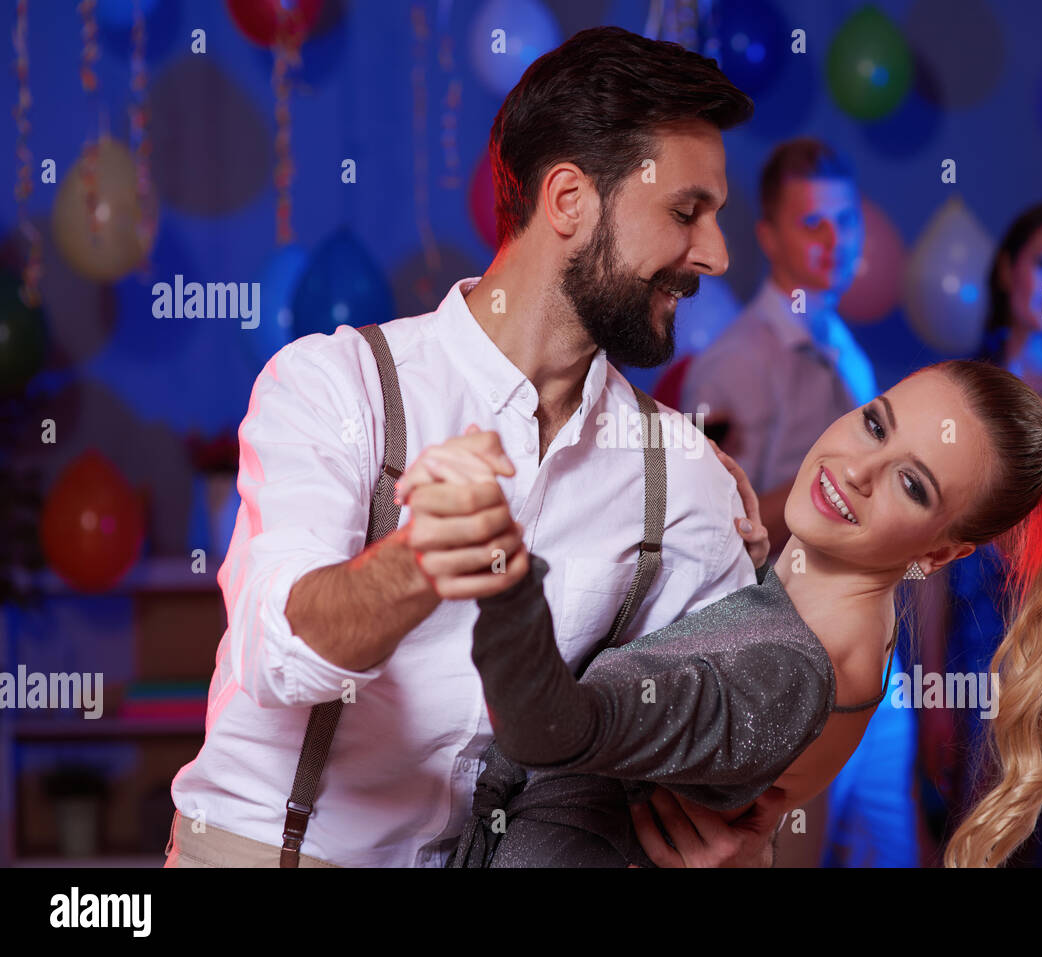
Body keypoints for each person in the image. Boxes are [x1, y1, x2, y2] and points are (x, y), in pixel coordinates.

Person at [164, 26, 779, 868]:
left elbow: (733, 707)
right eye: (684, 213)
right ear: (569, 200)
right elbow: (279, 656)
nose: (715, 254)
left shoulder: (680, 473)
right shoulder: (340, 383)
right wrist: (419, 560)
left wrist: (728, 828)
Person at [434, 359, 1042, 869]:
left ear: (943, 552)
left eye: (912, 484)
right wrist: (739, 560)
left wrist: (498, 559)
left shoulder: (787, 669)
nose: (857, 468)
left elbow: (548, 730)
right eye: (875, 423)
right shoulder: (845, 623)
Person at [678, 139, 896, 866]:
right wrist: (835, 498)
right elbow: (706, 524)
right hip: (794, 656)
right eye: (813, 225)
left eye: (847, 222)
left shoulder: (844, 346)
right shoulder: (736, 360)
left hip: (876, 649)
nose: (836, 242)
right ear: (768, 235)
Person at [918, 202, 1042, 863]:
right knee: (984, 843)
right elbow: (929, 557)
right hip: (971, 660)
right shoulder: (964, 395)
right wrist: (932, 690)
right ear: (1006, 270)